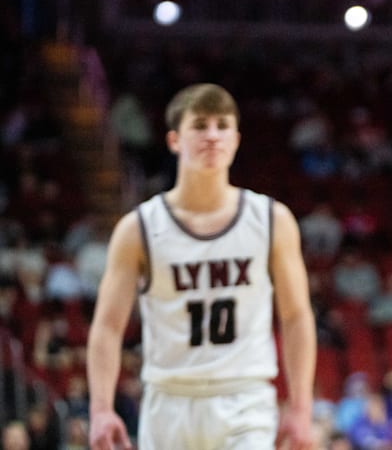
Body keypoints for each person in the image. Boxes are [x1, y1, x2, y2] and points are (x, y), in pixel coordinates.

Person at [87, 83, 317, 450]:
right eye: (200, 125)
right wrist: (100, 409)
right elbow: (107, 327)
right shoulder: (139, 228)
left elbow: (296, 316)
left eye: (222, 125)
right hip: (169, 399)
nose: (212, 135)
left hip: (245, 397)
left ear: (236, 140)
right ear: (174, 140)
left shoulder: (271, 219)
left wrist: (301, 408)